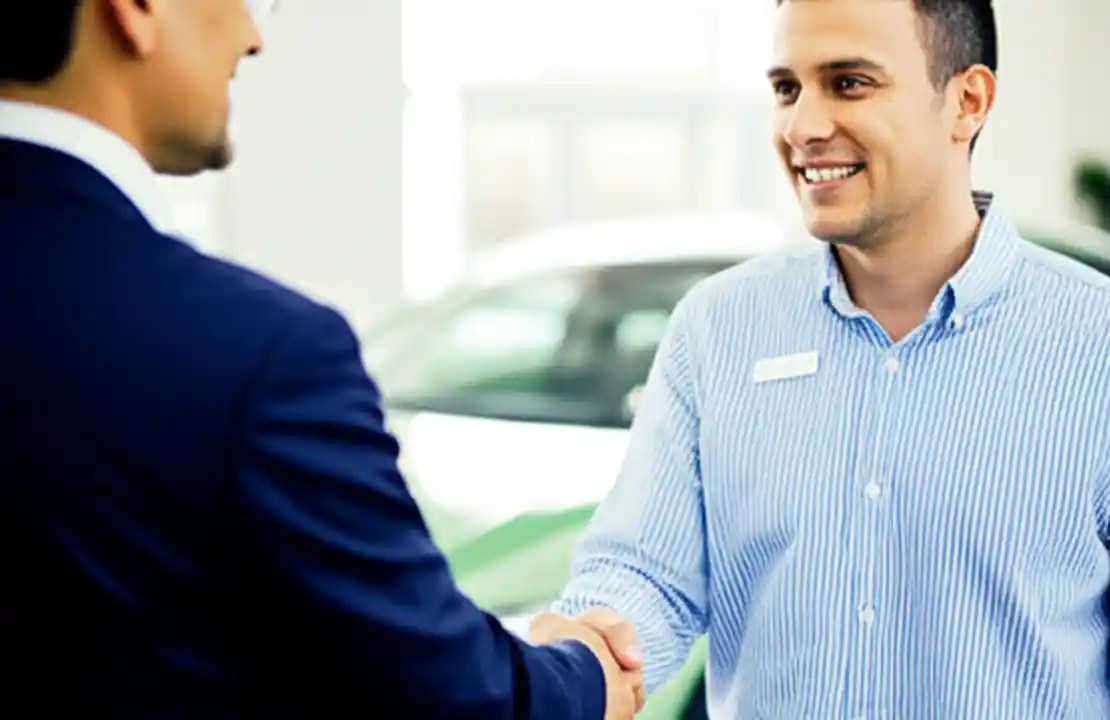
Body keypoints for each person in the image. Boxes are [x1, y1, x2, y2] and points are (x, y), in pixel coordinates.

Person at [531, 0, 1110, 716]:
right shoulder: (715, 333)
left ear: (967, 101)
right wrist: (583, 657)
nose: (803, 126)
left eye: (849, 82)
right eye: (787, 87)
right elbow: (646, 578)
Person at [0, 1, 639, 717]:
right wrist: (585, 678)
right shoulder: (256, 354)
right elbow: (449, 698)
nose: (253, 35)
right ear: (135, 10)